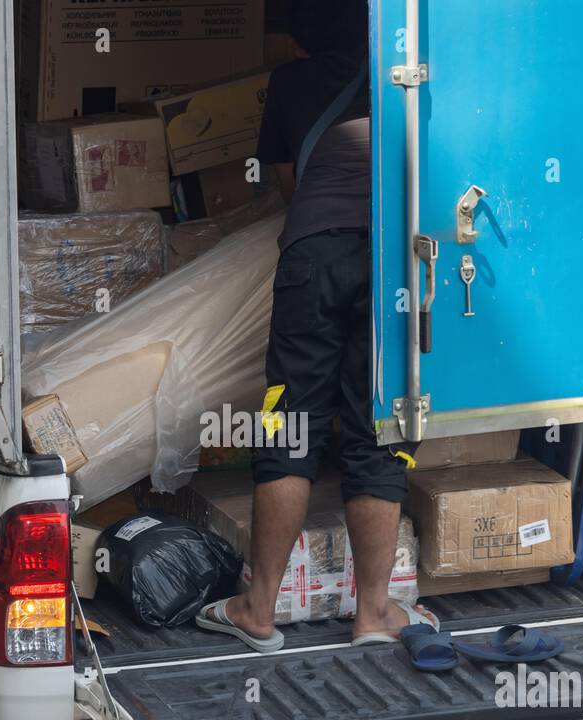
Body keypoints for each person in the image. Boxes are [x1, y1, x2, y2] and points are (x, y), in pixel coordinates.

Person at [196, 0, 437, 653]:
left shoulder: (290, 85)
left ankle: (259, 609)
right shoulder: (415, 74)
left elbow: (289, 186)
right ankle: (374, 613)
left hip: (312, 258)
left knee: (287, 422)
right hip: (393, 261)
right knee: (377, 431)